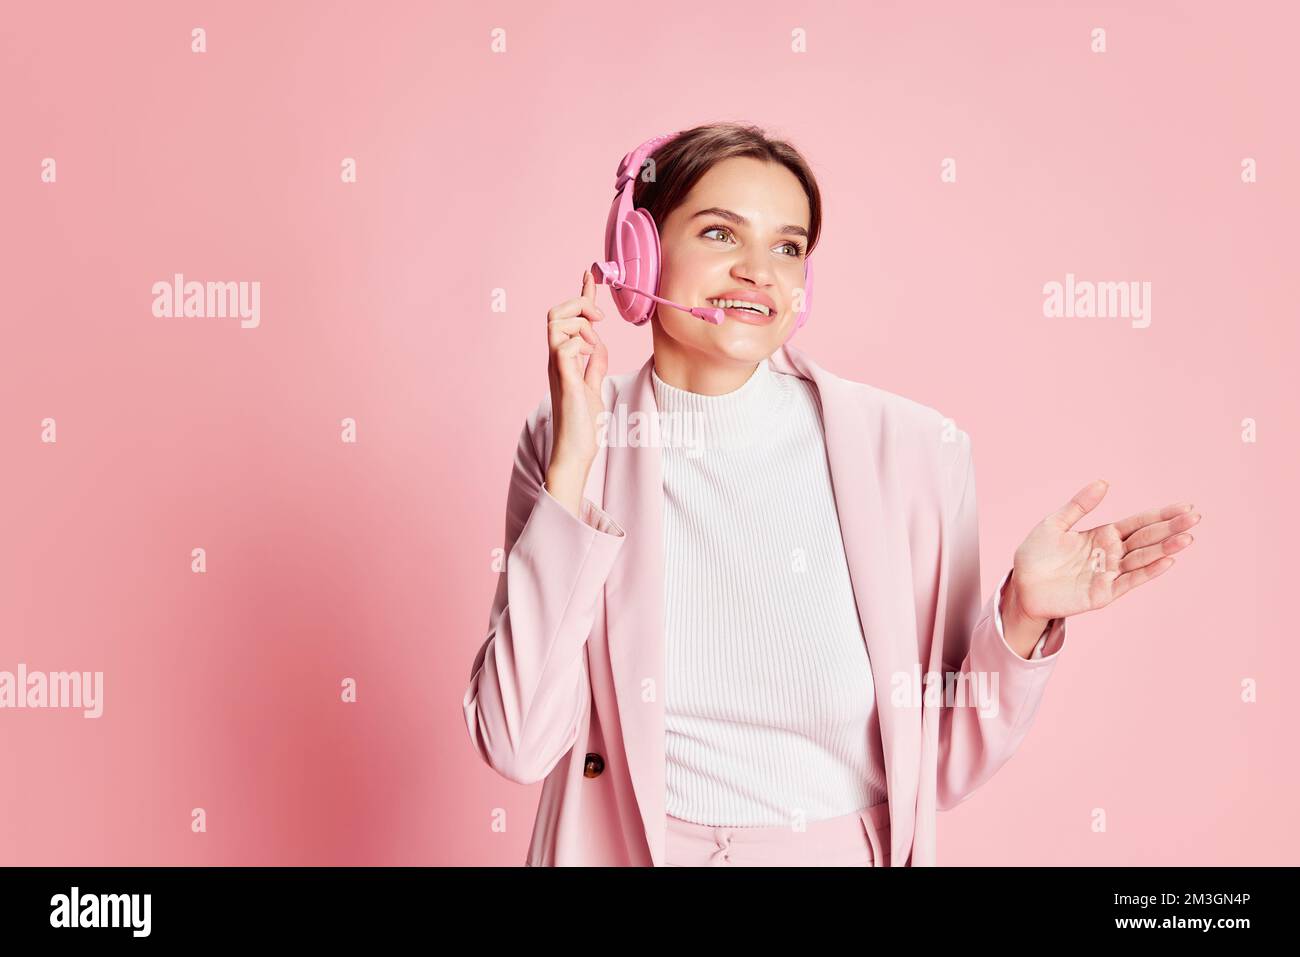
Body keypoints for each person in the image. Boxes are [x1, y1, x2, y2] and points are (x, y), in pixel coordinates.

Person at [462, 123, 1201, 866]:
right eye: (721, 233)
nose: (759, 271)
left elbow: (940, 768)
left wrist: (1022, 616)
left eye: (788, 247)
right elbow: (518, 742)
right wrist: (574, 467)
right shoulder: (567, 438)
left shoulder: (909, 451)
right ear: (638, 253)